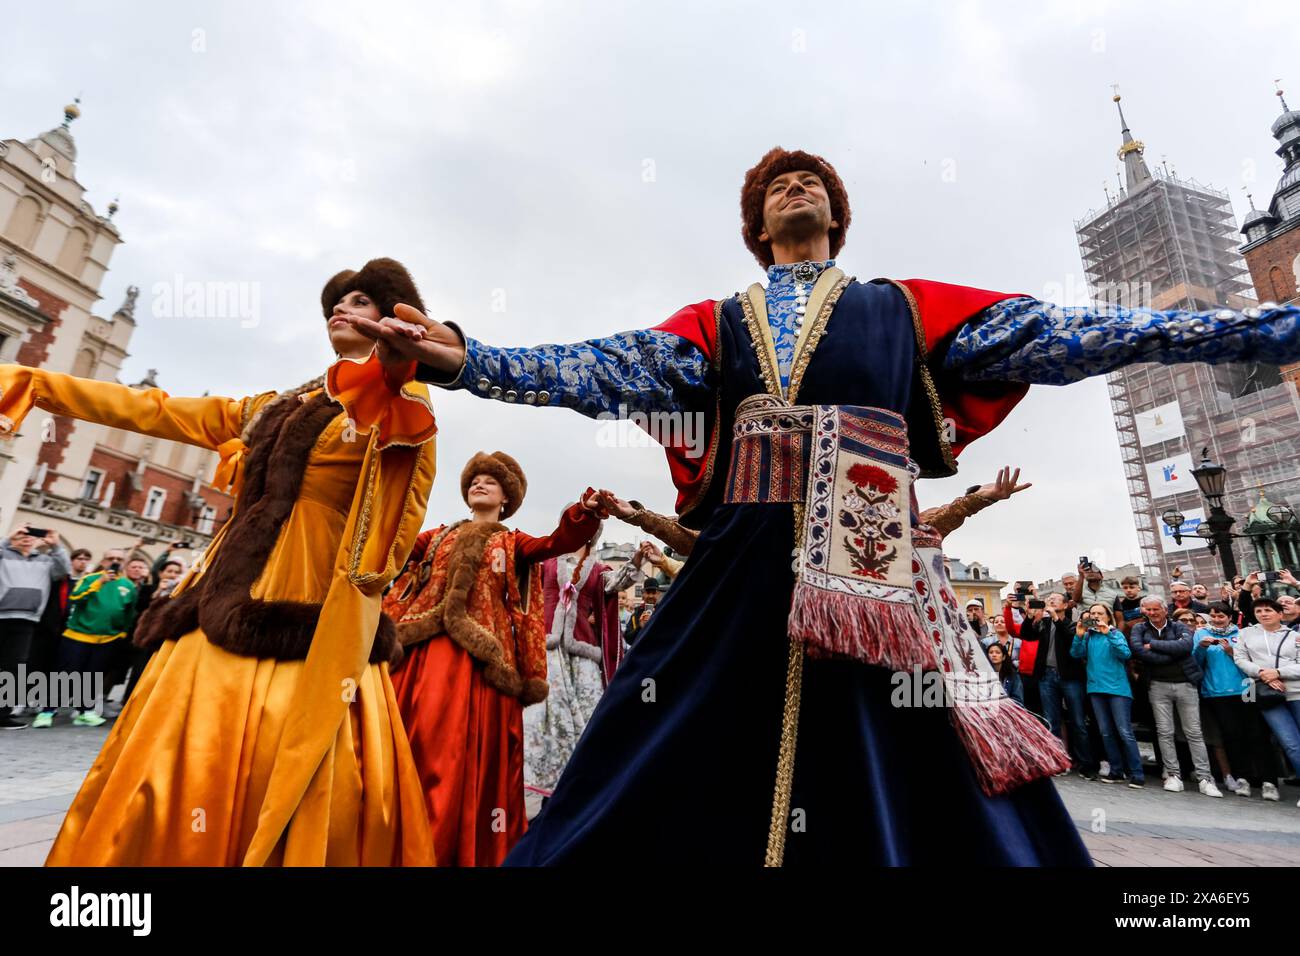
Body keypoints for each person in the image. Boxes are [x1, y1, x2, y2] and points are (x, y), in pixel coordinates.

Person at [352, 145, 1300, 865]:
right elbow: (607, 367)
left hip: (877, 569)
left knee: (908, 751)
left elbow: (1068, 332)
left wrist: (1247, 327)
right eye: (777, 186)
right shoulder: (719, 321)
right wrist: (476, 360)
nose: (796, 187)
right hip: (741, 558)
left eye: (814, 183)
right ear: (757, 228)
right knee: (660, 740)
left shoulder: (901, 308)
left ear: (837, 219)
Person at [0, 257, 437, 865]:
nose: (341, 308)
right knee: (175, 744)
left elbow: (403, 501)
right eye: (337, 301)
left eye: (361, 301)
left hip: (312, 600)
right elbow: (151, 409)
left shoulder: (398, 402)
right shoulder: (273, 405)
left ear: (395, 320)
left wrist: (401, 370)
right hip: (221, 587)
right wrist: (34, 384)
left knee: (288, 749)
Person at [376, 450, 604, 866]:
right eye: (475, 480)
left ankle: (442, 843)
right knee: (403, 743)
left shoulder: (513, 542)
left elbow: (559, 542)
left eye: (491, 482)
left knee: (453, 756)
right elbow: (394, 546)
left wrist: (582, 513)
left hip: (478, 665)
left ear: (505, 499)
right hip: (418, 651)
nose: (480, 484)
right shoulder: (438, 535)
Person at [524, 512, 641, 802]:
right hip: (549, 650)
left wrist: (637, 561)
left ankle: (581, 786)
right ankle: (545, 783)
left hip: (584, 653)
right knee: (545, 717)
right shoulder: (547, 564)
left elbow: (616, 584)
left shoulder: (599, 569)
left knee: (589, 715)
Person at [1129, 597, 1222, 797]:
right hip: (1157, 685)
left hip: (1185, 683)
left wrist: (1152, 644)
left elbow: (1186, 647)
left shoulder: (1179, 626)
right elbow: (1139, 651)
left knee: (1194, 732)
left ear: (1164, 610)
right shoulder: (1139, 629)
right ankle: (1173, 774)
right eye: (1148, 609)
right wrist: (1171, 651)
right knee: (1164, 731)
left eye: (1156, 609)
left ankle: (1205, 777)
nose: (1152, 613)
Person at [1193, 602, 1281, 800]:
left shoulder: (1242, 633)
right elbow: (1195, 662)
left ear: (1229, 617)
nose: (1217, 619)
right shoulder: (1200, 634)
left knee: (1256, 733)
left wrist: (1232, 653)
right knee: (1232, 735)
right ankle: (1242, 777)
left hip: (1246, 688)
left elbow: (1253, 659)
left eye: (1221, 616)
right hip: (1218, 692)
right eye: (1213, 616)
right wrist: (1201, 648)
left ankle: (1269, 781)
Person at [0, 526, 72, 728]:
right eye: (21, 535)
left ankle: (2, 714)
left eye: (30, 536)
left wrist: (56, 545)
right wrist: (7, 539)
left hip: (28, 619)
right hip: (1, 615)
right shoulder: (3, 554)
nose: (25, 539)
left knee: (13, 668)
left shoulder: (46, 561)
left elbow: (64, 570)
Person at [1233, 597, 1300, 808]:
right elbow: (1241, 659)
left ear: (1280, 614)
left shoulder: (1295, 636)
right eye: (1259, 611)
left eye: (1268, 610)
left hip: (1297, 691)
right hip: (1266, 694)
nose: (1263, 614)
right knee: (1290, 743)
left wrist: (1278, 672)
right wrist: (1263, 673)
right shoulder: (1246, 634)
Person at [1023, 592, 1097, 779]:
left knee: (1078, 721)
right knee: (1051, 720)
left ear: (1065, 605)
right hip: (1047, 676)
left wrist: (1056, 618)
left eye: (1055, 599)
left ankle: (1086, 764)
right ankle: (1057, 761)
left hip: (1070, 677)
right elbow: (1027, 635)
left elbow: (1073, 639)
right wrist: (1030, 616)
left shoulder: (1075, 622)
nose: (1050, 601)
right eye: (1049, 600)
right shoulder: (1044, 623)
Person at [1071, 603, 1142, 788]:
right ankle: (1116, 770)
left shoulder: (1115, 633)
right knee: (1106, 732)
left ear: (1108, 617)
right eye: (1092, 613)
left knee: (1124, 731)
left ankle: (1137, 773)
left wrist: (1108, 633)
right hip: (1096, 689)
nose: (1095, 616)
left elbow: (1125, 654)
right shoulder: (1088, 636)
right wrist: (1078, 636)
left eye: (1099, 613)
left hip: (1118, 689)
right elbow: (1075, 654)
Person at [624, 578, 661, 646]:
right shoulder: (635, 614)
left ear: (658, 594)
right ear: (643, 594)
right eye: (648, 592)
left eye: (653, 593)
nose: (650, 596)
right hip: (640, 654)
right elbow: (628, 639)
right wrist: (640, 627)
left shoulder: (663, 611)